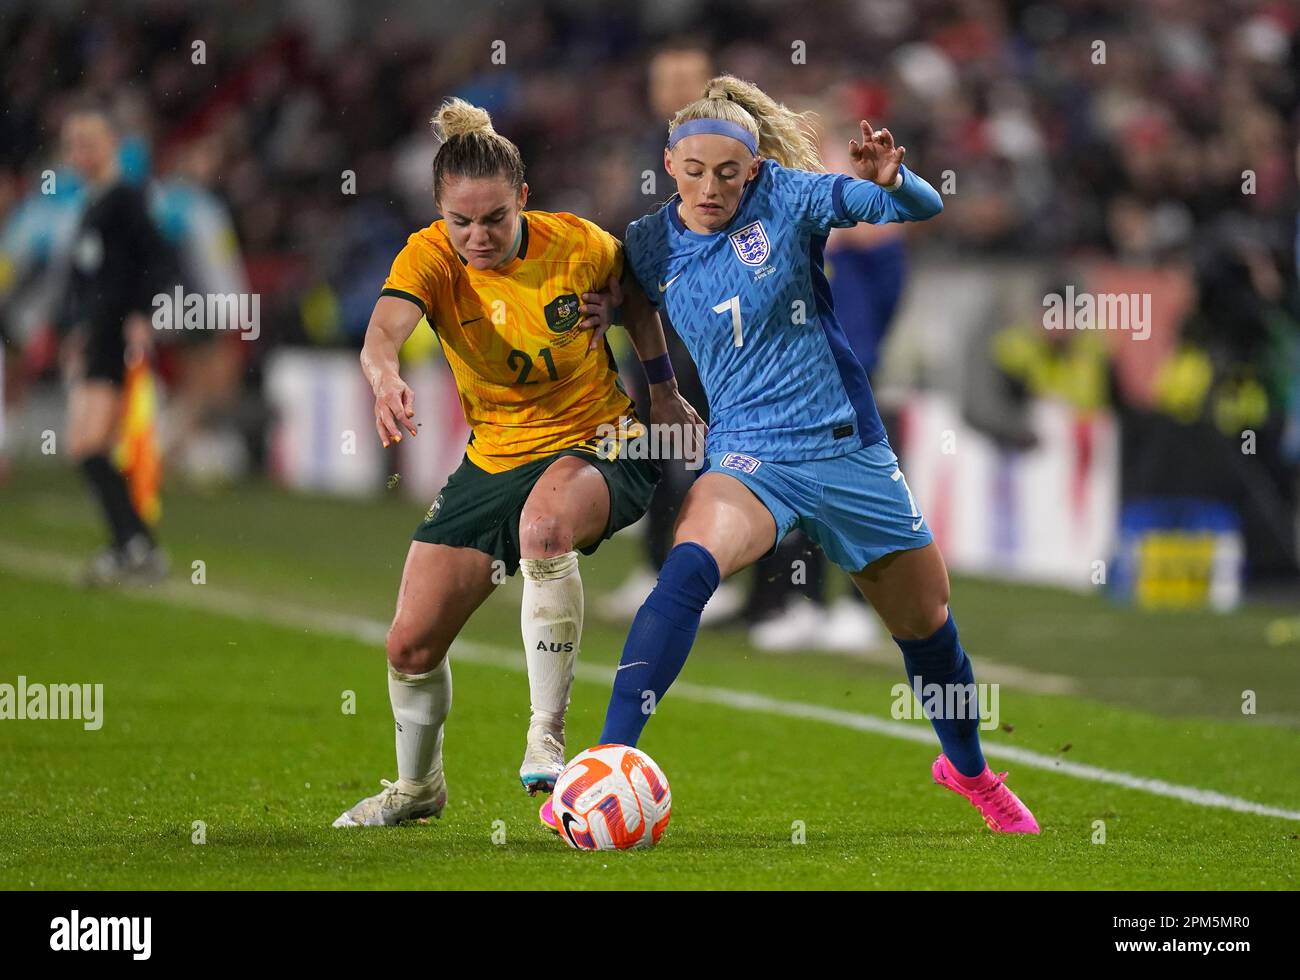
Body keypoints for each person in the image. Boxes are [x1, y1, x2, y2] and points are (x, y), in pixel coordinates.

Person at [545, 76, 1038, 836]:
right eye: (697, 171)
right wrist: (657, 381)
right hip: (750, 455)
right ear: (670, 165)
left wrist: (891, 181)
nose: (713, 188)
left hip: (848, 449)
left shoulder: (793, 198)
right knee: (687, 568)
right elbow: (628, 300)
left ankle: (969, 771)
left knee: (929, 626)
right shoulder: (645, 241)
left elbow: (919, 209)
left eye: (729, 173)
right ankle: (606, 761)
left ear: (752, 168)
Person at [334, 99, 701, 827]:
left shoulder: (580, 245)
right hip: (497, 454)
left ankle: (547, 735)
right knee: (409, 643)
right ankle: (416, 790)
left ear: (523, 200)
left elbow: (635, 302)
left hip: (602, 440)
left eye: (494, 218)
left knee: (544, 531)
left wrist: (662, 392)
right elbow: (382, 333)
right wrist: (385, 376)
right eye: (460, 221)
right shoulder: (430, 257)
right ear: (439, 213)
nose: (476, 236)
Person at [59, 102, 171, 586]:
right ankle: (134, 544)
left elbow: (157, 258)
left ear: (110, 146)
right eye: (73, 144)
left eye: (88, 141)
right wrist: (77, 330)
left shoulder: (124, 198)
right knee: (87, 446)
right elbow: (89, 280)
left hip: (115, 334)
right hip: (96, 335)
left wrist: (142, 315)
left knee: (89, 444)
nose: (79, 152)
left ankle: (134, 545)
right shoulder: (92, 203)